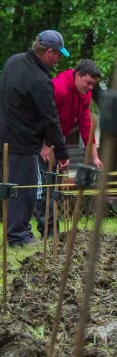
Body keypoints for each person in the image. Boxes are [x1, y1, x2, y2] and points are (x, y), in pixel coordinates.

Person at [0, 30, 70, 247]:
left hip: (4, 138)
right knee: (25, 191)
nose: (58, 59)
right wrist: (62, 152)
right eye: (58, 54)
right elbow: (51, 118)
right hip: (23, 143)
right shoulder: (39, 79)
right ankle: (18, 237)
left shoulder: (13, 62)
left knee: (9, 187)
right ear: (49, 52)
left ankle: (16, 233)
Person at [35, 58, 102, 237]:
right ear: (78, 76)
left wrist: (94, 156)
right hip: (39, 138)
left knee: (55, 183)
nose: (91, 88)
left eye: (93, 84)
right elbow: (45, 117)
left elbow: (85, 124)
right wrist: (45, 145)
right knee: (43, 183)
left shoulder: (85, 94)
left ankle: (53, 227)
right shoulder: (58, 87)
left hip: (56, 140)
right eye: (88, 83)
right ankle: (47, 230)